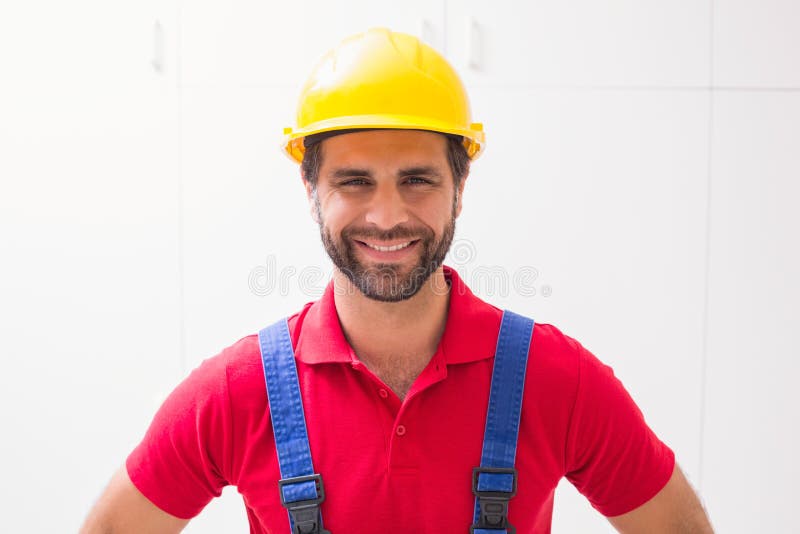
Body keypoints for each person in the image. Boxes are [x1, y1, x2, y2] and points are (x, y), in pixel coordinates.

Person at [81, 28, 714, 533]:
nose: (387, 217)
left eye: (417, 180)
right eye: (354, 182)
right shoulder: (237, 393)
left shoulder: (556, 381)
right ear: (310, 188)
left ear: (459, 187)